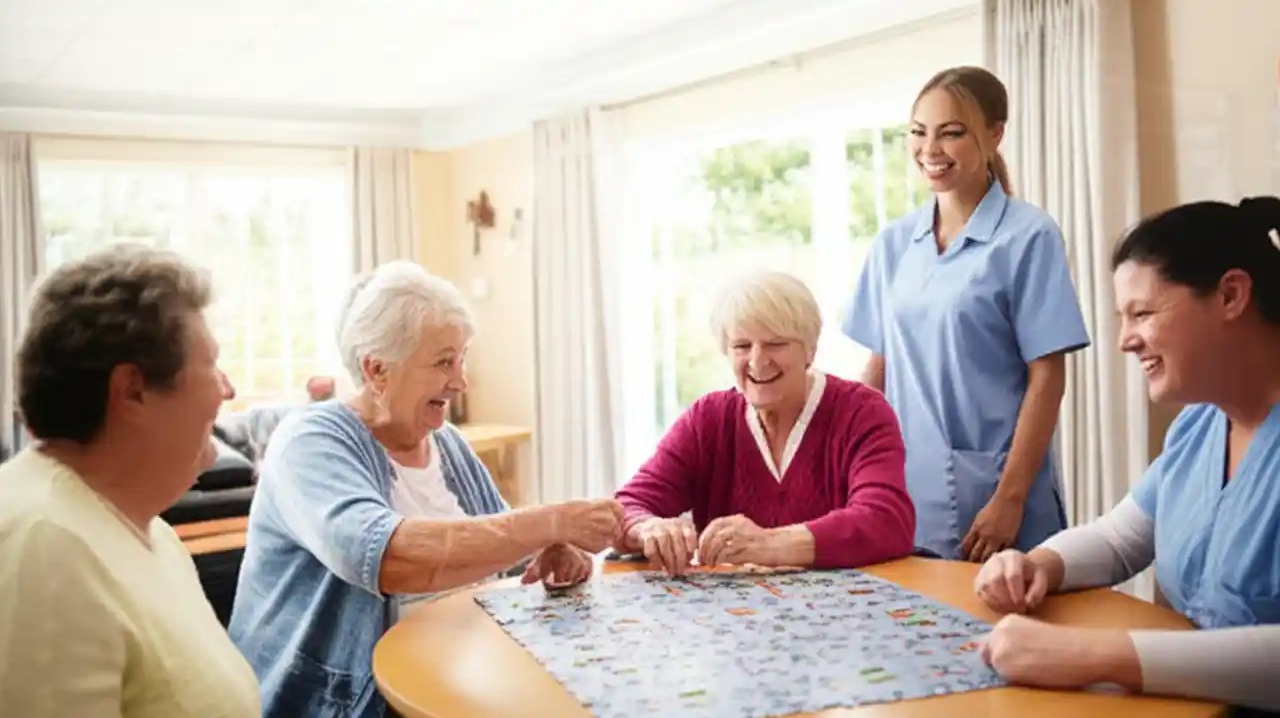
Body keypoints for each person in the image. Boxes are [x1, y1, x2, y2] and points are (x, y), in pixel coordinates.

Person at [229, 261, 622, 718]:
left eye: (462, 359)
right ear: (377, 370)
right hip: (344, 704)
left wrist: (546, 551)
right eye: (443, 362)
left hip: (457, 681)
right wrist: (550, 522)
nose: (461, 381)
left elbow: (495, 539)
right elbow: (387, 559)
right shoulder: (310, 441)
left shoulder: (447, 443)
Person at [974, 197, 1280, 712]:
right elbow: (1121, 537)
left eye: (1142, 313)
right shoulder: (1199, 427)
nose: (1124, 341)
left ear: (1231, 295)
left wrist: (1097, 654)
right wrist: (1037, 566)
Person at [842, 65, 1089, 562]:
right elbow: (878, 370)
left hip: (996, 500)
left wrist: (1010, 498)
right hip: (905, 496)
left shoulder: (1027, 236)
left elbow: (1047, 380)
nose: (930, 150)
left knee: (1007, 638)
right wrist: (845, 470)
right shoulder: (895, 243)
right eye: (918, 132)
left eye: (951, 133)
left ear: (994, 135)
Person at [0, 246, 259, 717]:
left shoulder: (146, 528)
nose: (227, 389)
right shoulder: (46, 546)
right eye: (212, 364)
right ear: (132, 390)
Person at [614, 270, 915, 575]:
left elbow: (886, 520)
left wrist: (770, 544)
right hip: (731, 616)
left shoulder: (861, 412)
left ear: (810, 349)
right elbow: (627, 506)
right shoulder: (708, 419)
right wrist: (650, 528)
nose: (758, 361)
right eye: (742, 346)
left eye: (776, 344)